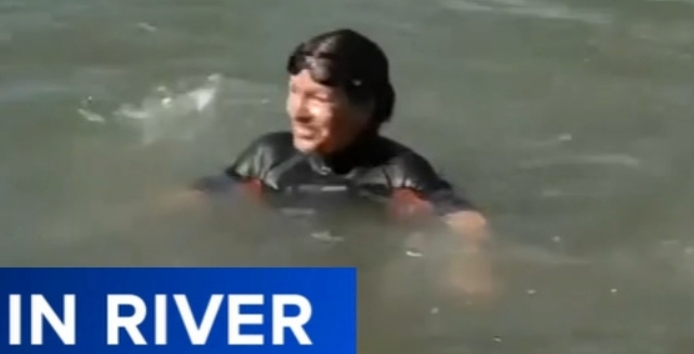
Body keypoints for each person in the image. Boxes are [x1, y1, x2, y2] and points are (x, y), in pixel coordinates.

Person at [193, 28, 493, 296]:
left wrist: (467, 259)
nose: (299, 111)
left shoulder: (398, 169)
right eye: (294, 92)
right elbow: (209, 191)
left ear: (366, 105)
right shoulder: (269, 154)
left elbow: (463, 217)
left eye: (318, 99)